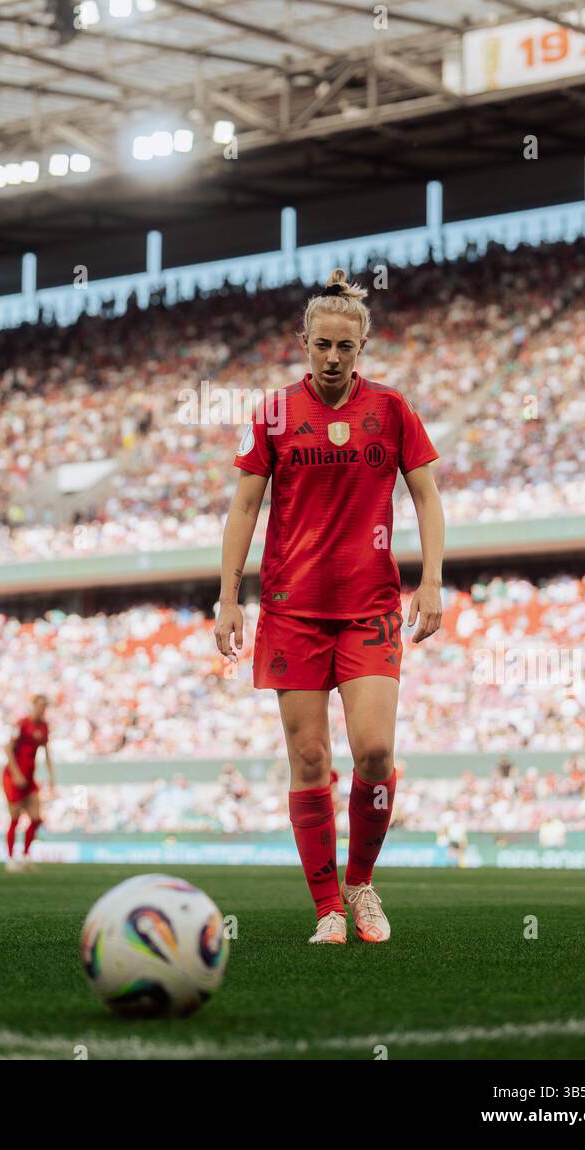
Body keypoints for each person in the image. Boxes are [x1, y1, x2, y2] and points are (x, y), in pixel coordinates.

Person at [214, 269, 444, 944]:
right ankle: (326, 911)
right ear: (303, 343)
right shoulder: (275, 413)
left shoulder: (392, 410)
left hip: (369, 605)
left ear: (362, 345)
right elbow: (245, 506)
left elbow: (427, 497)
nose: (333, 358)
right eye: (321, 346)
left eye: (345, 347)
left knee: (374, 751)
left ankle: (361, 883)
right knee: (309, 762)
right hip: (291, 610)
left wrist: (430, 580)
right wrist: (228, 598)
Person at [2, 694, 54, 872]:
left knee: (36, 818)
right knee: (15, 817)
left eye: (44, 706)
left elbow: (46, 751)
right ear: (33, 706)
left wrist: (50, 775)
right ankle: (10, 858)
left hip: (30, 778)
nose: (42, 709)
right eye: (39, 705)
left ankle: (25, 855)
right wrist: (16, 774)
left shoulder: (44, 727)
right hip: (13, 777)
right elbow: (8, 748)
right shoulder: (22, 724)